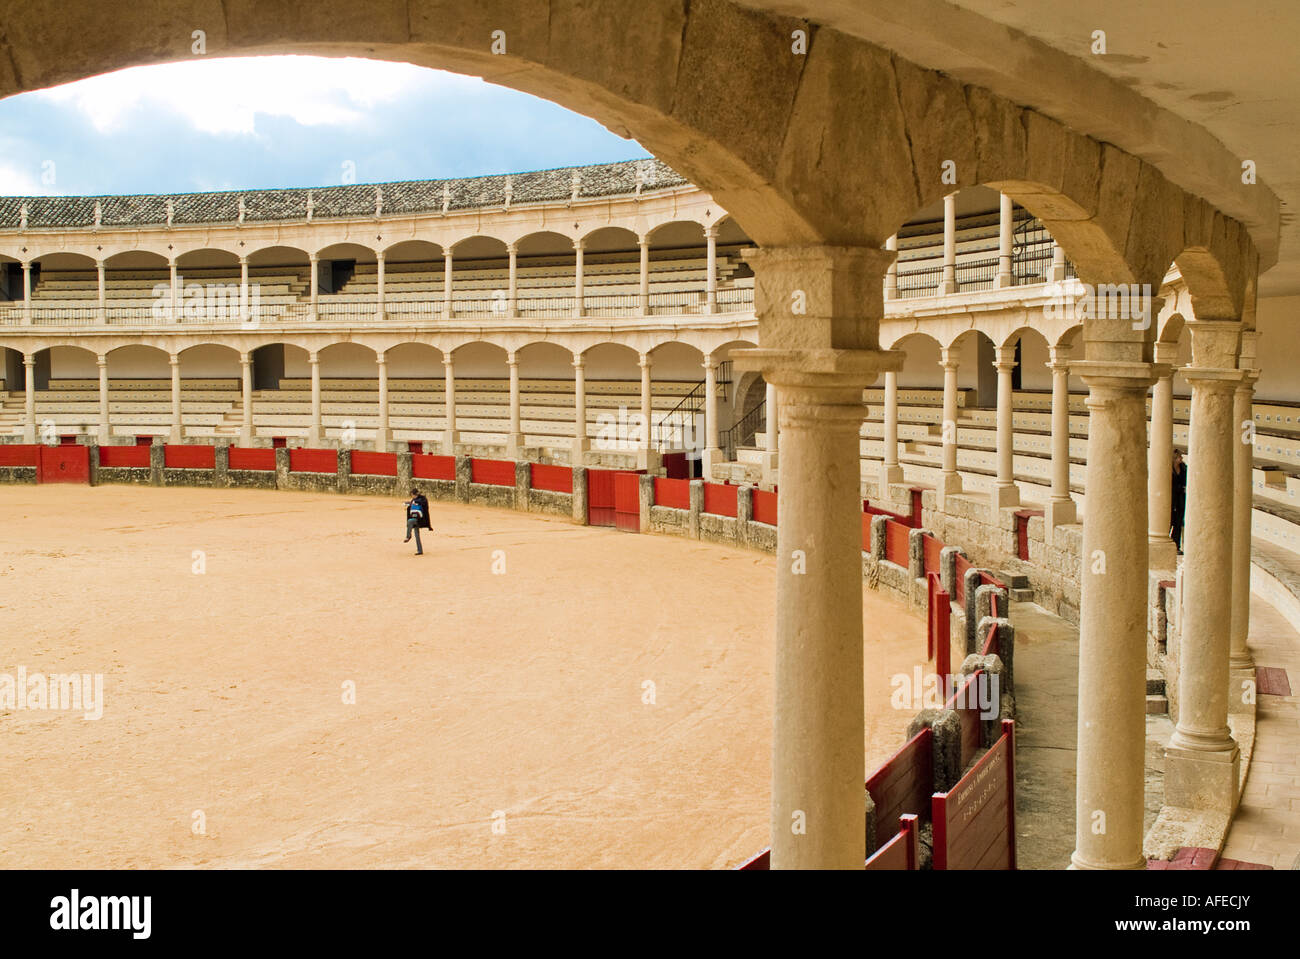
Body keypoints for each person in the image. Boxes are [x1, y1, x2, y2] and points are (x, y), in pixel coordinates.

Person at [1170, 450, 1188, 554]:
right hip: (1171, 498)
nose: (1181, 458)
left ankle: (1176, 546)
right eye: (1179, 457)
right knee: (1169, 521)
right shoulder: (1169, 469)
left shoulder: (1183, 468)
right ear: (1174, 458)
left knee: (1178, 522)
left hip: (1181, 498)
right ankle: (1164, 542)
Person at [404, 487, 431, 555]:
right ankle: (420, 550)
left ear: (414, 494)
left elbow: (423, 503)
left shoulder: (422, 499)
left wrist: (414, 502)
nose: (412, 496)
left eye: (412, 495)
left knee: (410, 521)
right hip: (416, 518)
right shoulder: (414, 500)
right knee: (417, 535)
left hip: (421, 519)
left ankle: (408, 536)